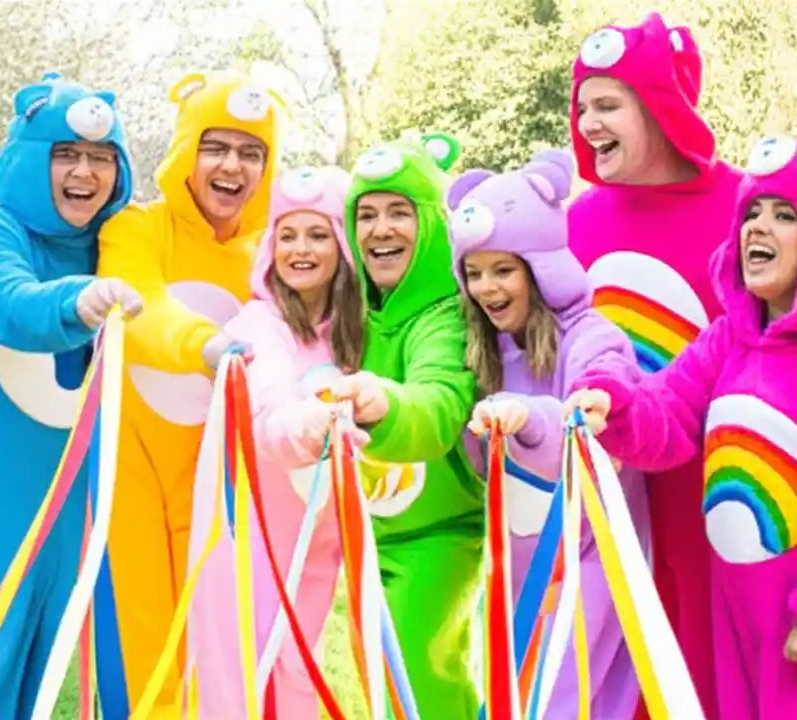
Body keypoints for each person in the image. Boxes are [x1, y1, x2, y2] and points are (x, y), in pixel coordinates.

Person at [567, 137, 797, 719]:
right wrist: (612, 407)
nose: (757, 228)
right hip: (741, 614)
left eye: (784, 215)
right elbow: (667, 411)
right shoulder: (730, 340)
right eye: (751, 212)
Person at [0, 72, 139, 718]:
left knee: (65, 671)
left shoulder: (117, 243)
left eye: (102, 159)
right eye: (66, 155)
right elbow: (5, 298)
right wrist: (76, 300)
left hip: (86, 501)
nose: (86, 173)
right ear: (30, 159)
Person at [566, 13, 745, 715]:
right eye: (582, 107)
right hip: (609, 492)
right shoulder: (577, 223)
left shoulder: (744, 208)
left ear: (662, 104)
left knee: (702, 667)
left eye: (607, 104)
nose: (587, 124)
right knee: (612, 669)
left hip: (715, 486)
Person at [93, 70, 284, 716]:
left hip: (226, 486)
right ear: (185, 152)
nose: (233, 166)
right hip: (136, 481)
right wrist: (207, 346)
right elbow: (136, 307)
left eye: (251, 152)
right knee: (147, 658)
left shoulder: (270, 254)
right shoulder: (136, 228)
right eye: (216, 146)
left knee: (226, 662)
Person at [448, 148, 644, 717]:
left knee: (560, 702)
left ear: (540, 267)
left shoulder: (588, 336)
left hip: (585, 563)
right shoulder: (485, 352)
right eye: (475, 272)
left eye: (503, 269)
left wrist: (528, 417)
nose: (487, 287)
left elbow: (588, 418)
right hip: (517, 570)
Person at [190, 165, 365, 718]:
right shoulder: (257, 324)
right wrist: (304, 426)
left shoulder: (355, 331)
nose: (300, 249)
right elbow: (269, 403)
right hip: (247, 532)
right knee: (238, 668)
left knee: (297, 667)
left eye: (317, 234)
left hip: (317, 537)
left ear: (341, 245)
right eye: (287, 235)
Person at [327, 131, 482, 716]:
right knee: (386, 685)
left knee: (424, 679)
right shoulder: (357, 311)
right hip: (370, 537)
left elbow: (438, 403)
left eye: (399, 212)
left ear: (433, 223)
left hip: (437, 537)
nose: (380, 229)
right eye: (365, 215)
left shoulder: (443, 315)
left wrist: (383, 402)